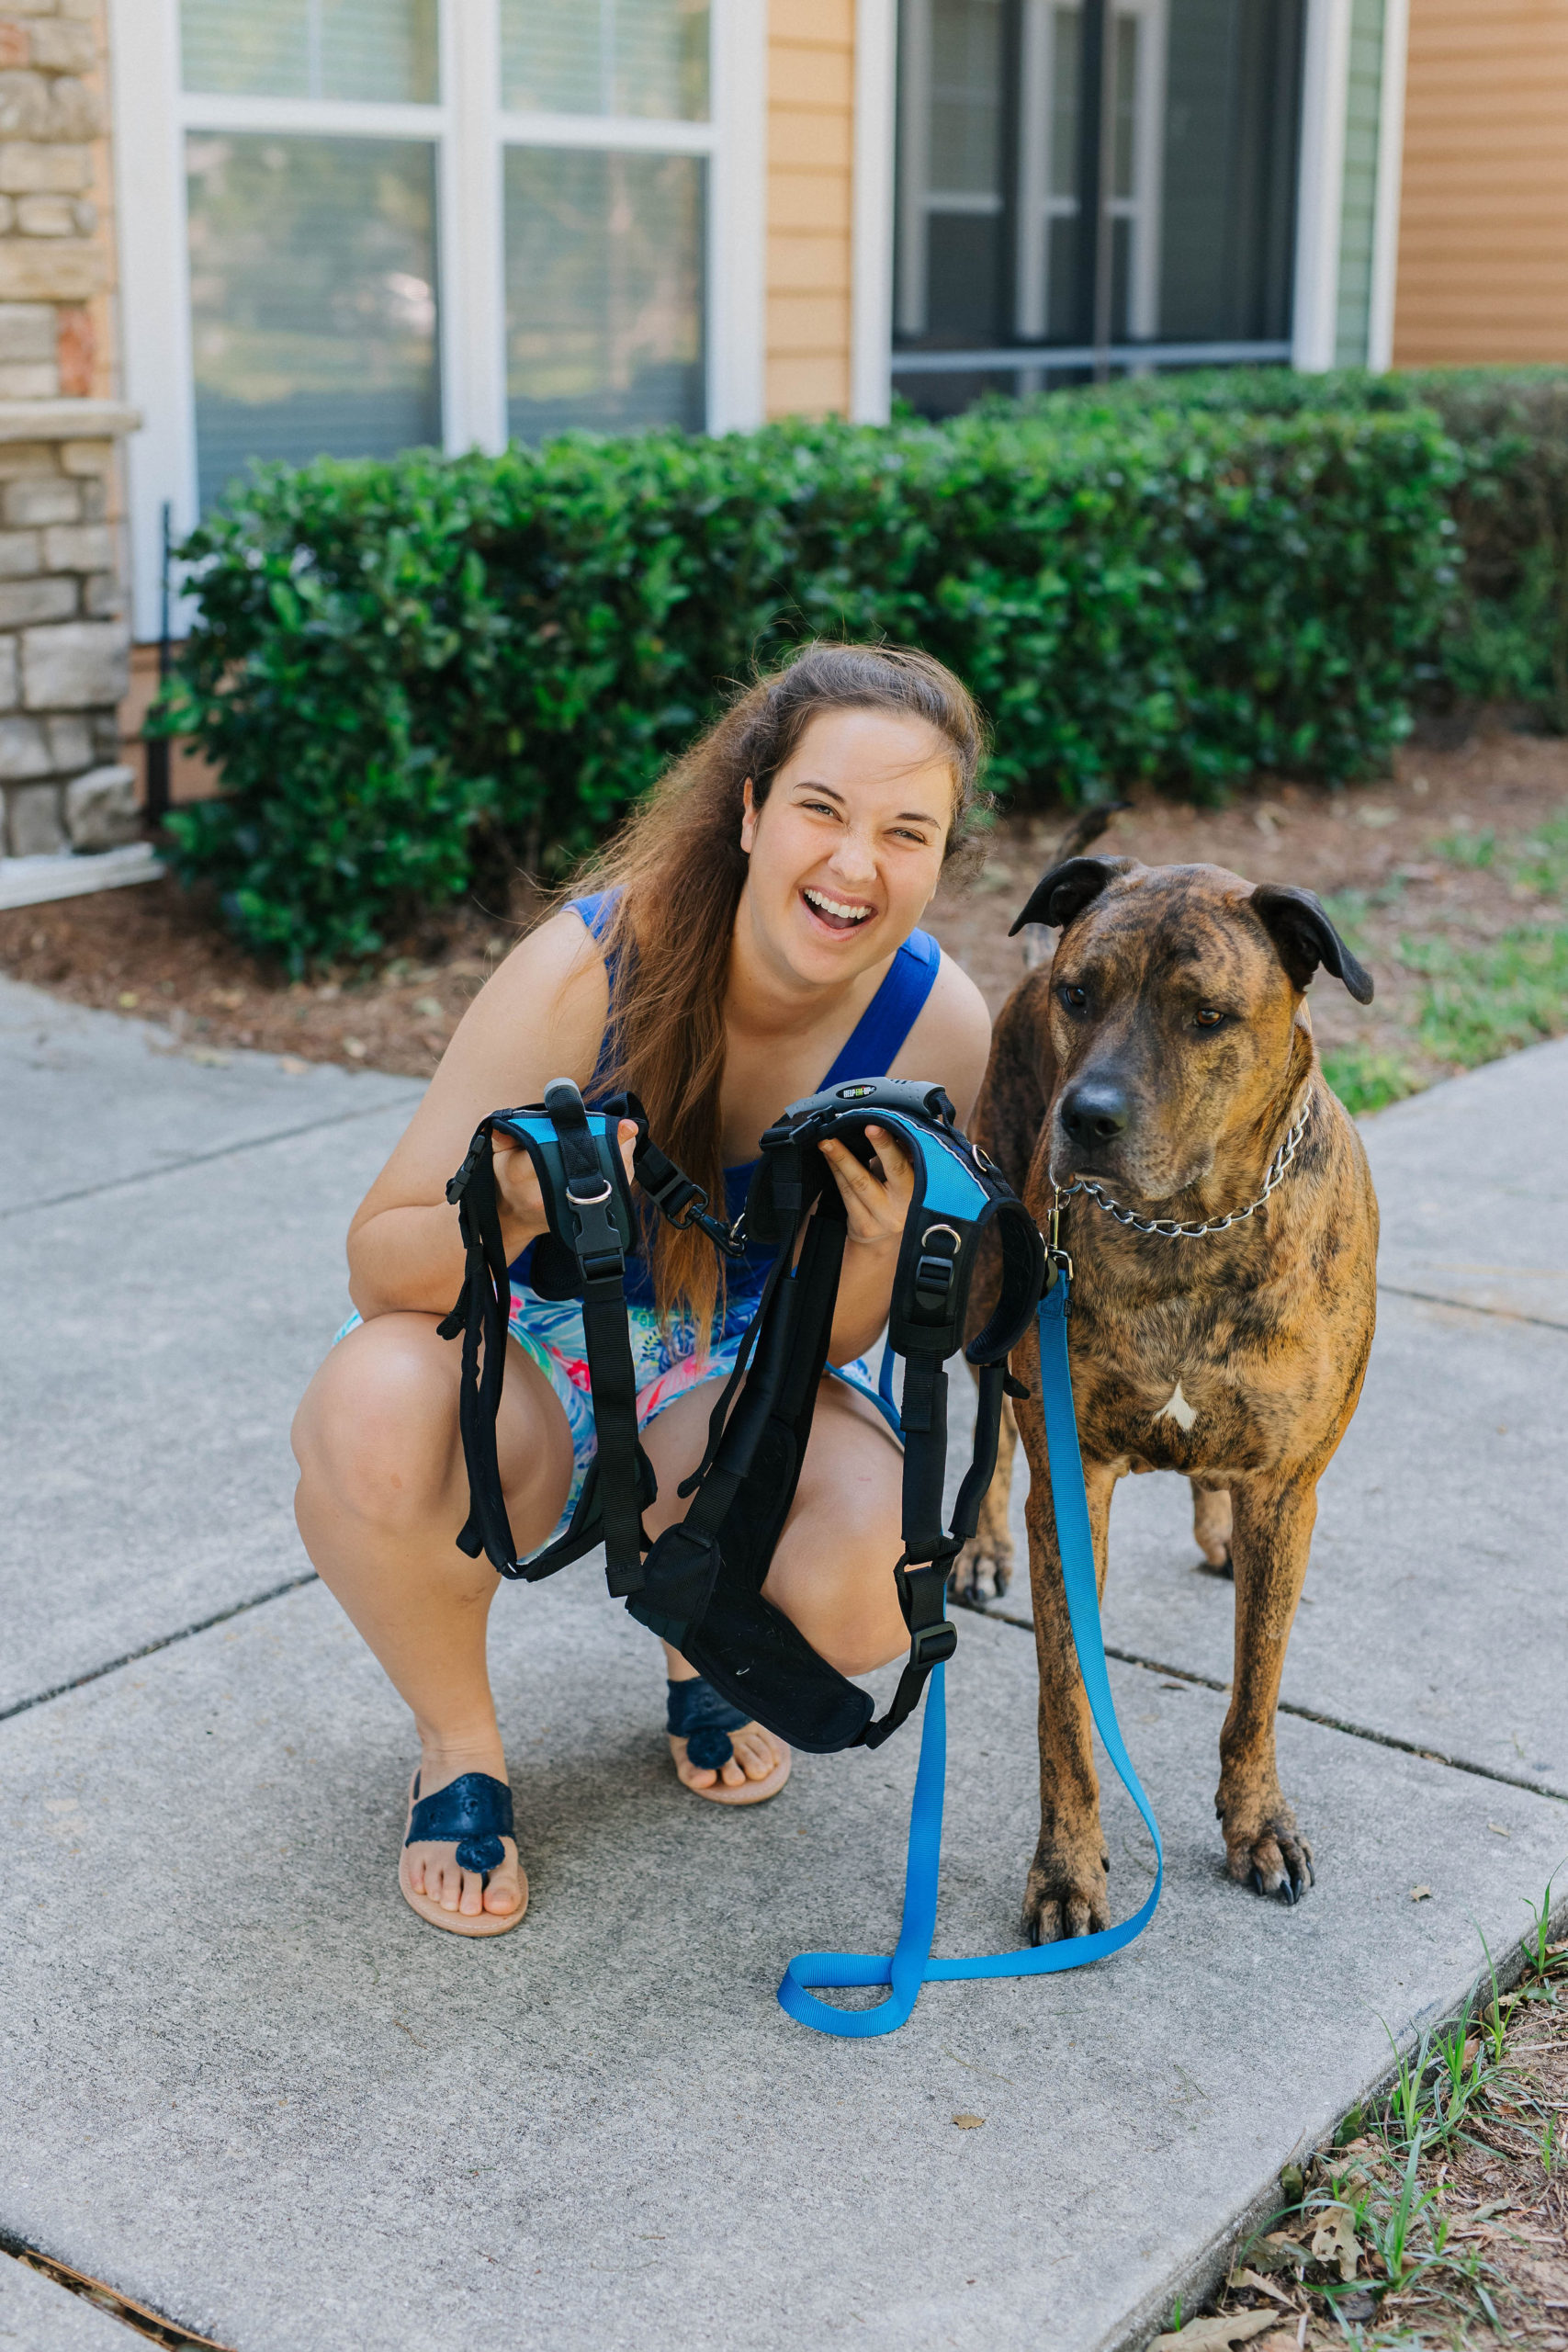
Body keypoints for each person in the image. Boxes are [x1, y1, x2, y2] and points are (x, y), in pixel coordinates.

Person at [291, 642, 993, 1937]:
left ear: (944, 857)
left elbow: (827, 1345)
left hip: (731, 1375)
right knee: (374, 1427)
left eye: (908, 831)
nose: (854, 867)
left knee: (871, 1581)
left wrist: (886, 1254)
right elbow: (381, 1256)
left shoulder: (939, 1030)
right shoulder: (588, 968)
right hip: (525, 1340)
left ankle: (701, 1637)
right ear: (751, 809)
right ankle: (459, 1746)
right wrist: (506, 1212)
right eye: (822, 812)